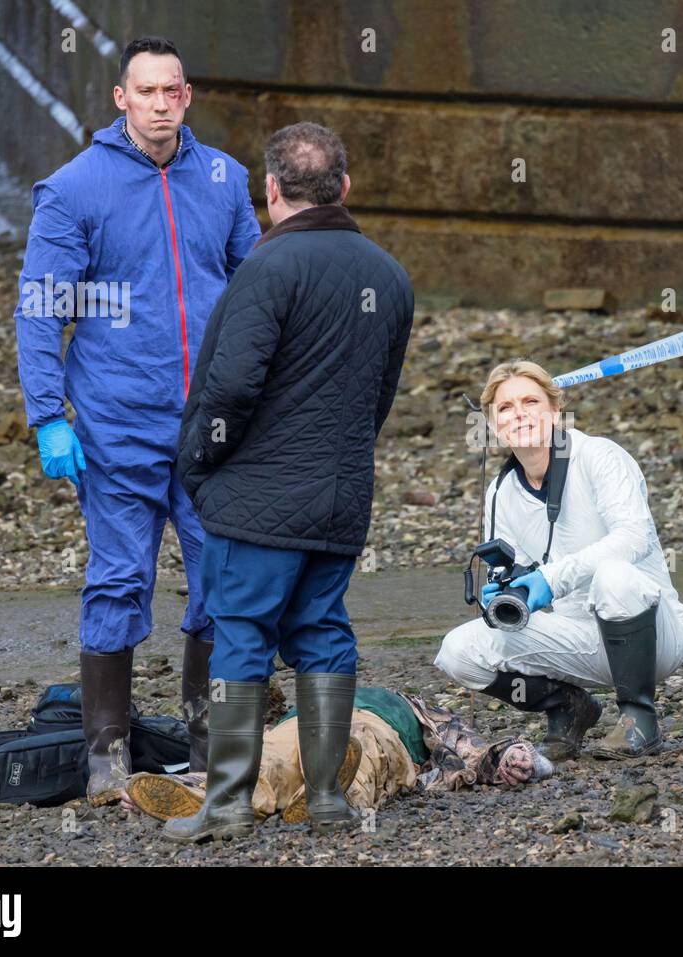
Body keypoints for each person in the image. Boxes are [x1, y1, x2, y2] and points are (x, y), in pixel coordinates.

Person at [14, 37, 261, 805]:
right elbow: (40, 310)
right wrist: (47, 415)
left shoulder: (224, 179)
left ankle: (208, 745)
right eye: (146, 91)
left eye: (174, 90)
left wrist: (267, 395)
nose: (161, 103)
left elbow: (259, 292)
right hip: (118, 426)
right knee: (119, 580)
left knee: (223, 582)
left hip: (213, 426)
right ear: (120, 98)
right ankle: (107, 759)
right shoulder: (73, 189)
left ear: (187, 96)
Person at [171, 122, 415, 841]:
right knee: (323, 631)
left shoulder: (267, 269)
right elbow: (379, 394)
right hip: (341, 493)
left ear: (270, 192)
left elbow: (232, 386)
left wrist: (198, 461)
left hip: (260, 499)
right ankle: (331, 802)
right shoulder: (389, 274)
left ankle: (225, 805)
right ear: (344, 188)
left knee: (240, 634)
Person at [435, 360, 683, 760]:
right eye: (505, 407)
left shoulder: (600, 456)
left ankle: (639, 720)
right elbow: (515, 572)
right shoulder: (499, 492)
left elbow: (635, 538)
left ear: (556, 411)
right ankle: (569, 708)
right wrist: (504, 593)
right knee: (458, 651)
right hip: (578, 643)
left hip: (654, 634)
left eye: (530, 401)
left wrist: (551, 579)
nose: (519, 413)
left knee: (613, 576)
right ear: (492, 424)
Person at [123, 686, 553, 827]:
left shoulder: (409, 703)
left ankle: (316, 796)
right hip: (307, 721)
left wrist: (508, 755)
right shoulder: (319, 687)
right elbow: (463, 750)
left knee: (354, 755)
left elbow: (465, 747)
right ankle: (202, 793)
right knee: (270, 754)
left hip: (367, 730)